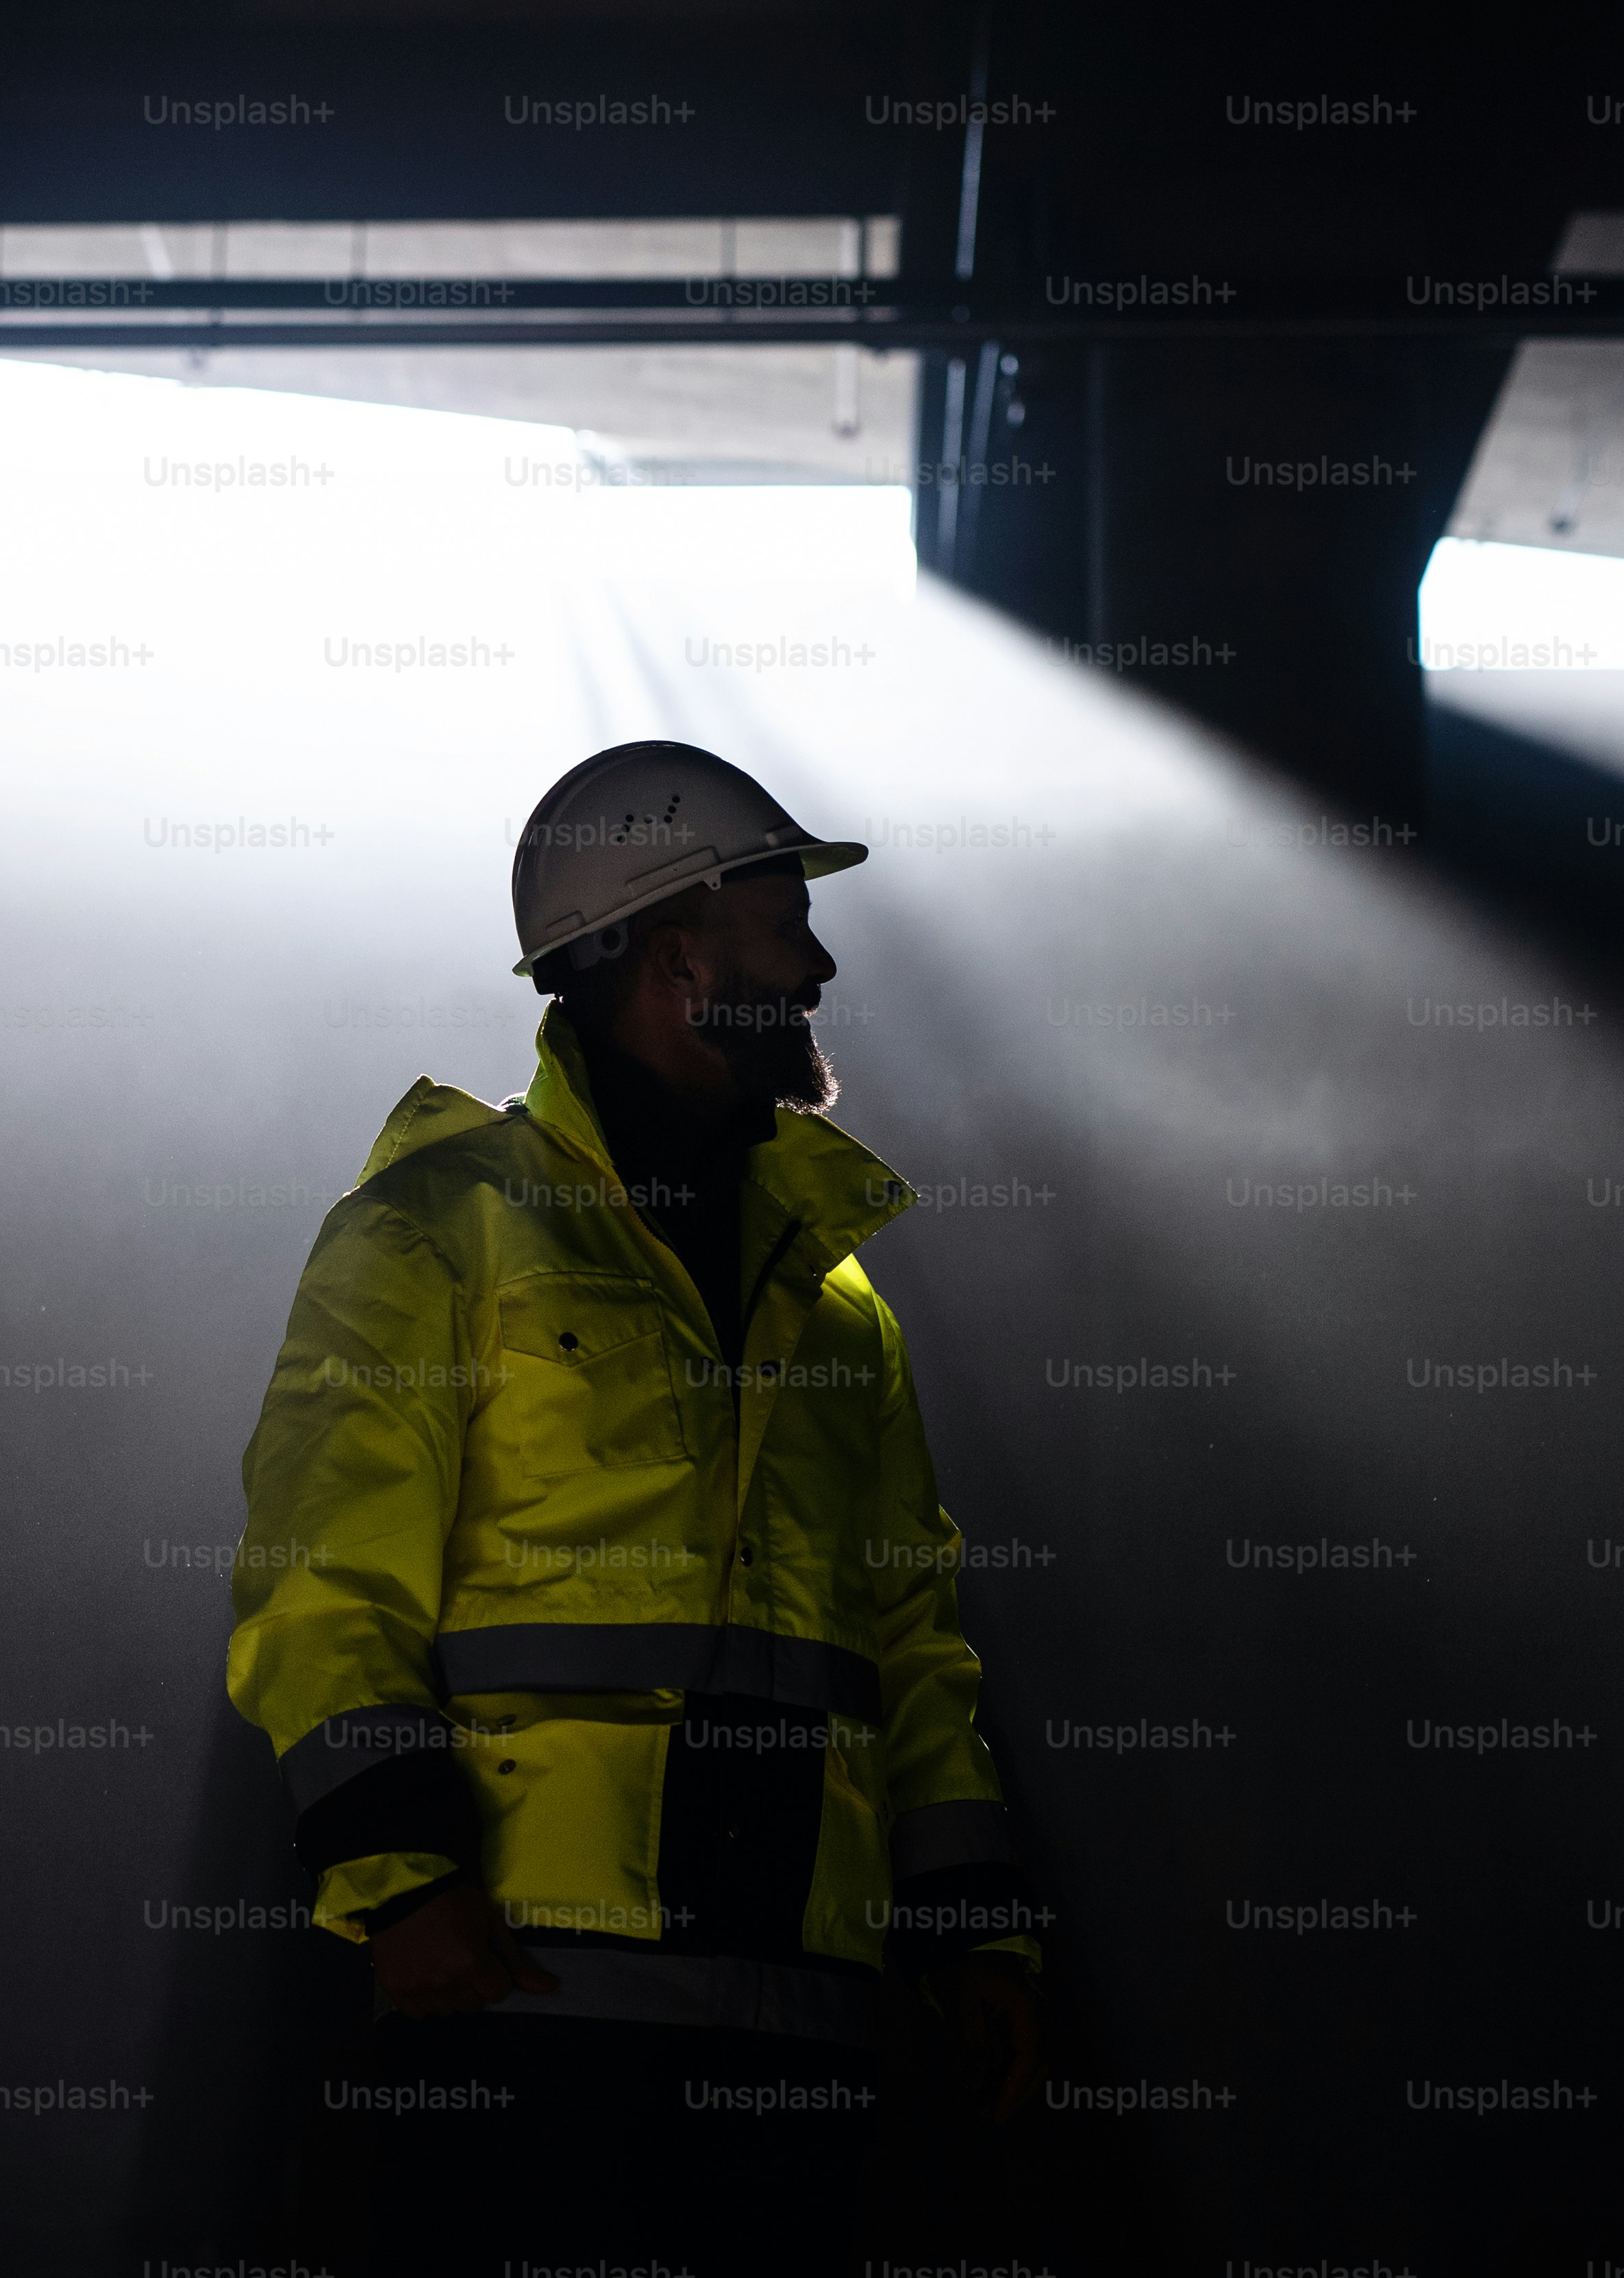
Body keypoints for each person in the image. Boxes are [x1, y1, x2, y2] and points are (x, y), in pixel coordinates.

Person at [228, 740, 1041, 2275]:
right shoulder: (437, 1229)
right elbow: (322, 1578)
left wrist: (976, 1932)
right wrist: (401, 1878)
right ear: (675, 956)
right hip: (521, 2004)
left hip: (803, 2025)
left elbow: (911, 1645)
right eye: (780, 919)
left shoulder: (835, 1294)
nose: (816, 960)